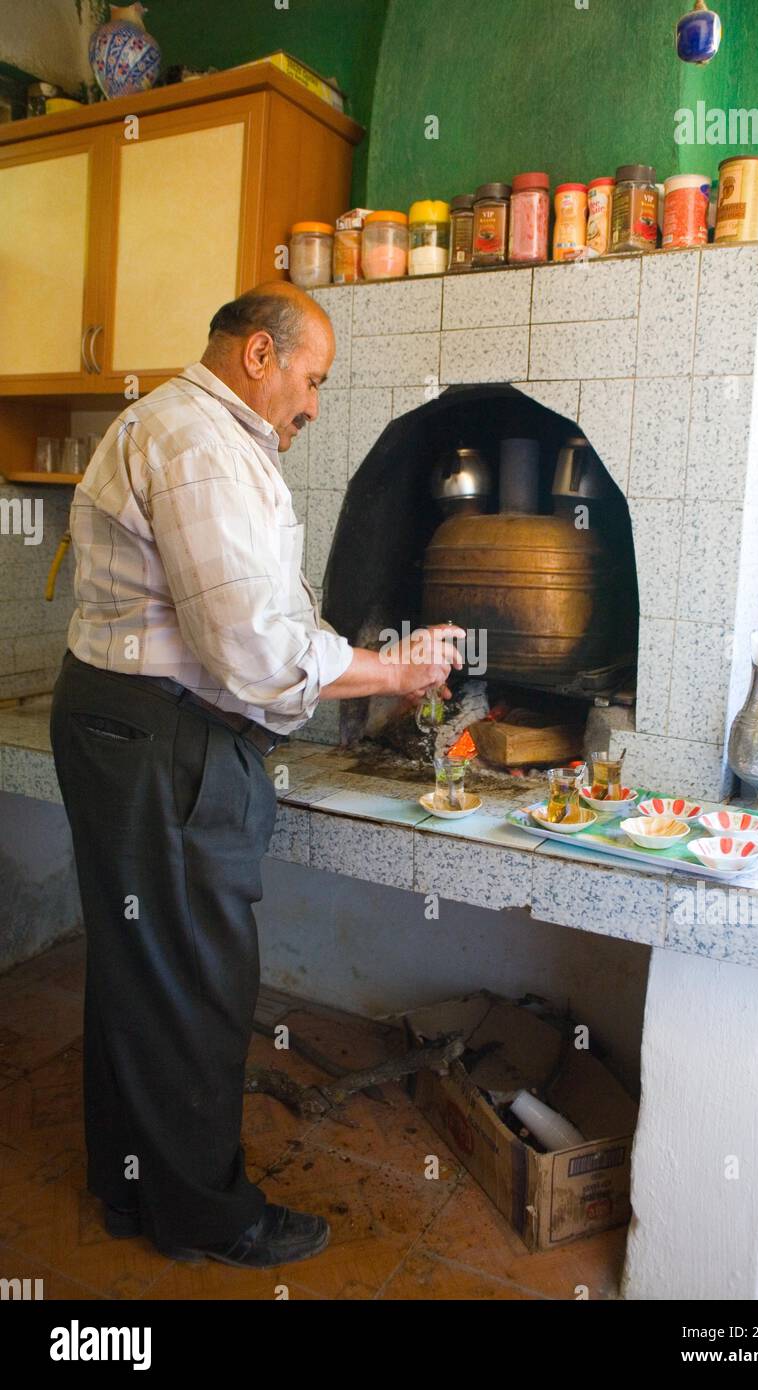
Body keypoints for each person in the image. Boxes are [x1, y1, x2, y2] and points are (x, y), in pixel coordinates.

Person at [49, 281, 463, 1270]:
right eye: (311, 378)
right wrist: (394, 671)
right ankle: (205, 1215)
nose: (315, 404)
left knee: (142, 970)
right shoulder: (197, 444)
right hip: (164, 740)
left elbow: (262, 617)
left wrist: (351, 665)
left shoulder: (194, 431)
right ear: (257, 356)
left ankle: (130, 1188)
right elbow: (249, 648)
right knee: (196, 979)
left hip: (132, 728)